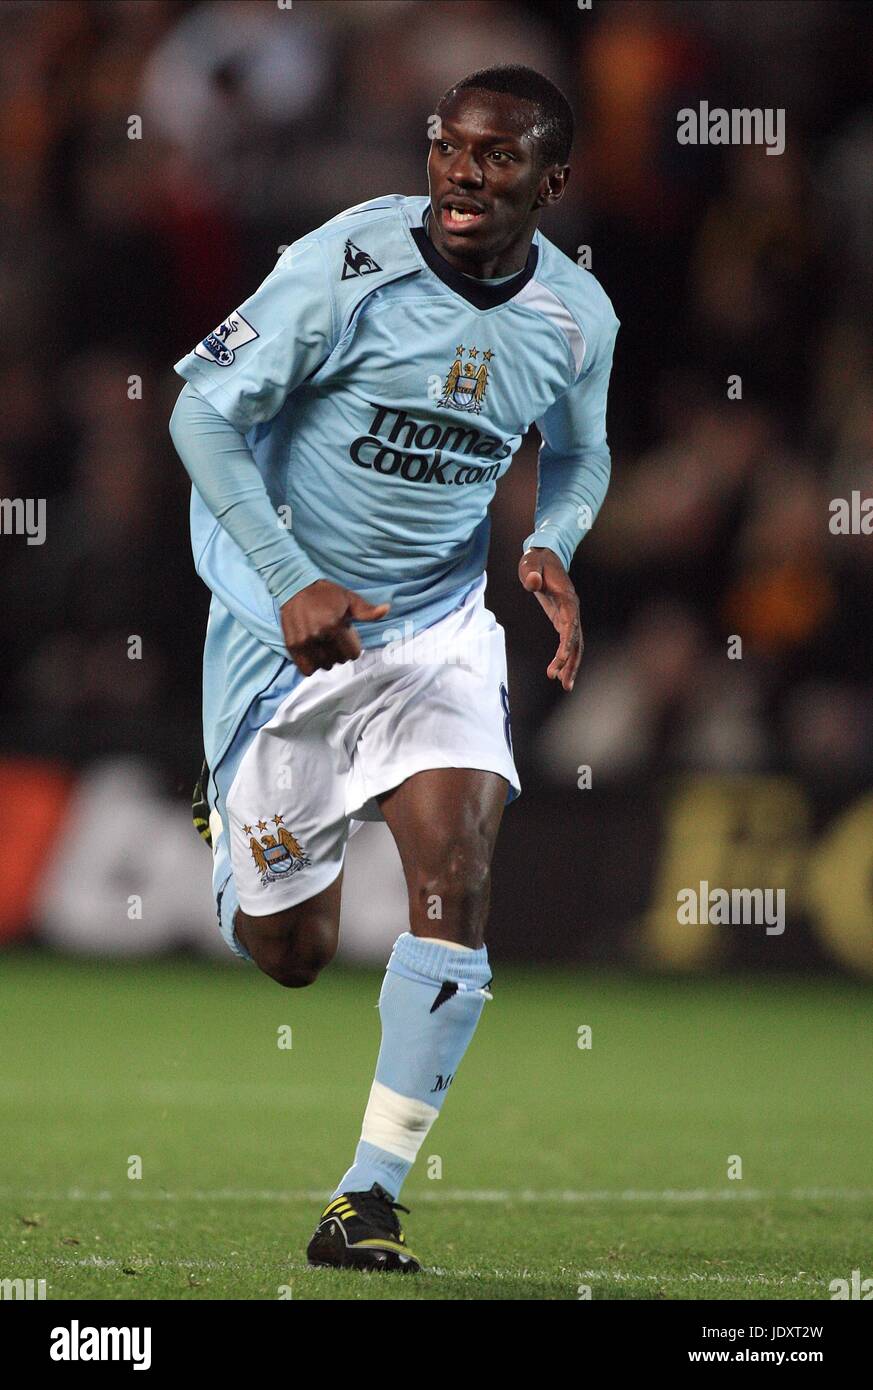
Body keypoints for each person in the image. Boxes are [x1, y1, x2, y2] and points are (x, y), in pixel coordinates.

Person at [169, 64, 618, 1273]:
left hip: (434, 631)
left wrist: (550, 545)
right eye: (450, 148)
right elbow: (200, 414)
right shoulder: (347, 264)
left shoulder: (578, 316)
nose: (465, 175)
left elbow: (584, 452)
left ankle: (365, 1198)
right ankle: (233, 813)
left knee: (458, 876)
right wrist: (286, 577)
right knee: (295, 955)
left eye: (498, 158)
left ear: (551, 181)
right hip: (284, 630)